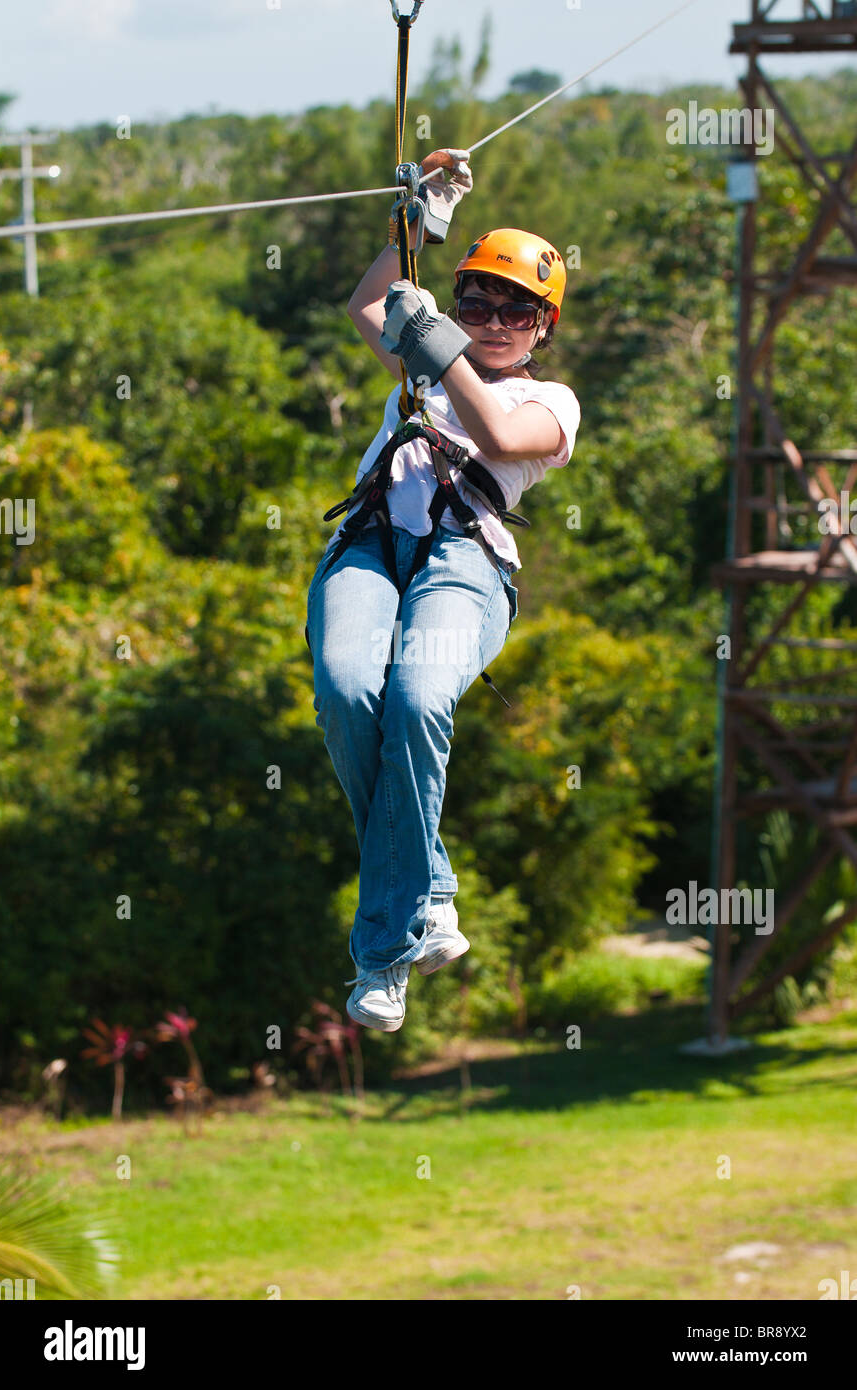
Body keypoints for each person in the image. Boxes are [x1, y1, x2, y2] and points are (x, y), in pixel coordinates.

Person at [305, 148, 581, 1032]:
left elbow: (500, 433)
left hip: (466, 562)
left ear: (543, 327)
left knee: (420, 695)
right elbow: (366, 304)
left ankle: (383, 953)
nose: (493, 321)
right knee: (351, 688)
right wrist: (417, 221)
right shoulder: (422, 364)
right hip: (372, 544)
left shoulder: (554, 402)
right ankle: (430, 886)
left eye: (516, 310)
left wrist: (438, 341)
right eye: (476, 302)